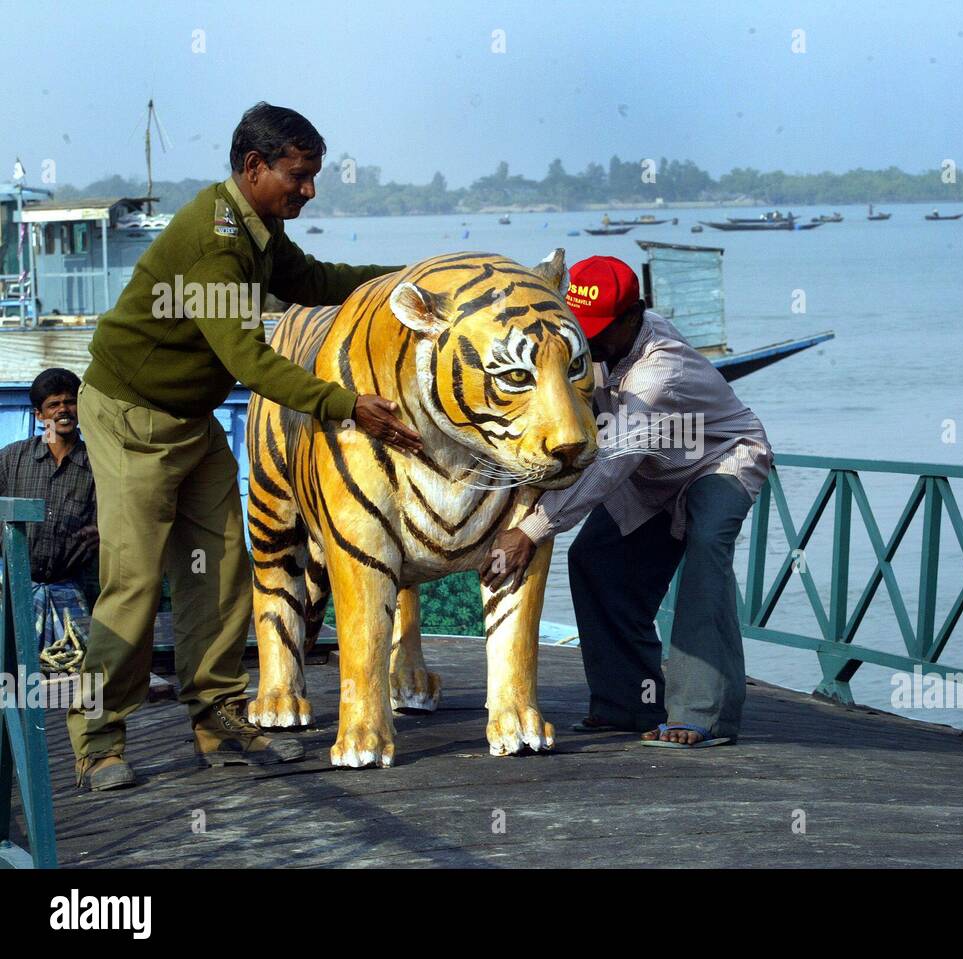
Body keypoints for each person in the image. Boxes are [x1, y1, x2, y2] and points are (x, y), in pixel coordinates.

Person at [66, 102, 423, 791]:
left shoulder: (257, 231)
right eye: (299, 175)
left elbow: (315, 283)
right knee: (134, 585)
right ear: (254, 167)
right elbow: (252, 361)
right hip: (131, 419)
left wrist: (411, 276)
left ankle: (219, 716)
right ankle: (98, 739)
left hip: (191, 421)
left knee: (225, 571)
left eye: (313, 176)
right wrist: (350, 405)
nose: (309, 190)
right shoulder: (216, 240)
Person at [482, 255, 773, 748]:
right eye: (580, 325)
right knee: (594, 561)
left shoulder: (659, 374)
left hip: (717, 459)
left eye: (600, 329)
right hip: (653, 468)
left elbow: (610, 463)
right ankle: (628, 704)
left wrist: (529, 531)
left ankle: (702, 716)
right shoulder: (588, 340)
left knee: (705, 559)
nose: (587, 340)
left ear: (635, 315)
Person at [0, 369, 98, 670]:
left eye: (70, 402)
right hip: (16, 595)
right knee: (14, 675)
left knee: (74, 676)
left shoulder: (97, 463)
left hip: (75, 596)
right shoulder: (11, 459)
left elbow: (118, 519)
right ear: (39, 415)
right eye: (53, 405)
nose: (63, 410)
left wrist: (102, 531)